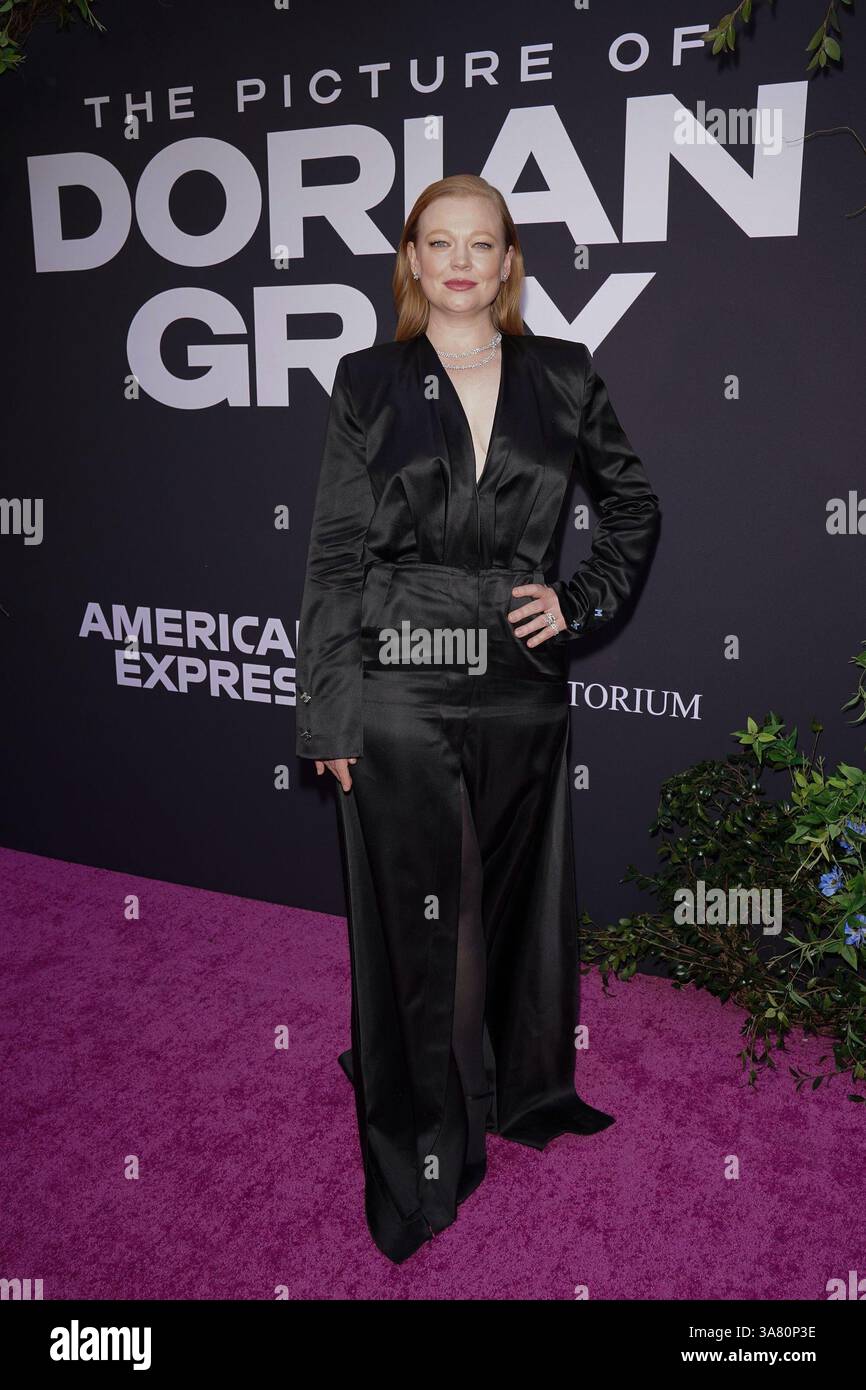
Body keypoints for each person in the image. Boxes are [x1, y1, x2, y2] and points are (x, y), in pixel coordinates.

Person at [294, 173, 661, 1265]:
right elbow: (334, 553)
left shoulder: (563, 374)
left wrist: (582, 598)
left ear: (508, 265)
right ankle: (422, 1139)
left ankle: (516, 1086)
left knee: (511, 895)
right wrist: (328, 711)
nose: (459, 260)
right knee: (424, 915)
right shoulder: (365, 380)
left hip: (518, 672)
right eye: (438, 242)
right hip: (398, 667)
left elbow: (632, 504)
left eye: (482, 243)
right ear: (411, 262)